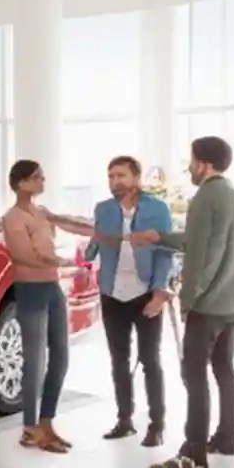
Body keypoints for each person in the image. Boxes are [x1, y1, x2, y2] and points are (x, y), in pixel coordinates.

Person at [128, 136, 234, 468]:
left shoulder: (206, 196)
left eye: (191, 161)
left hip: (206, 305)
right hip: (230, 304)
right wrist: (161, 237)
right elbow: (201, 241)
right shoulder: (231, 195)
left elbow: (203, 256)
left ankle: (193, 452)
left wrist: (188, 299)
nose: (188, 167)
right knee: (223, 371)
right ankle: (227, 438)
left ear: (204, 163)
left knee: (193, 374)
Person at [84, 156, 174, 447]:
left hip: (145, 293)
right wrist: (90, 241)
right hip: (112, 294)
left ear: (136, 178)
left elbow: (164, 253)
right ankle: (124, 420)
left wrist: (159, 292)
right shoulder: (103, 209)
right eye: (110, 176)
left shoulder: (157, 209)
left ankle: (157, 424)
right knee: (118, 361)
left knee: (150, 360)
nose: (115, 181)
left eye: (121, 175)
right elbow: (91, 251)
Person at [3, 160, 92, 453]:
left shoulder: (41, 213)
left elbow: (67, 224)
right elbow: (24, 256)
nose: (43, 181)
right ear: (22, 183)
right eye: (37, 178)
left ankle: (46, 422)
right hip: (30, 290)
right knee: (34, 359)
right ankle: (30, 428)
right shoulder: (13, 217)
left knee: (61, 355)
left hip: (51, 288)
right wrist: (63, 262)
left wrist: (96, 229)